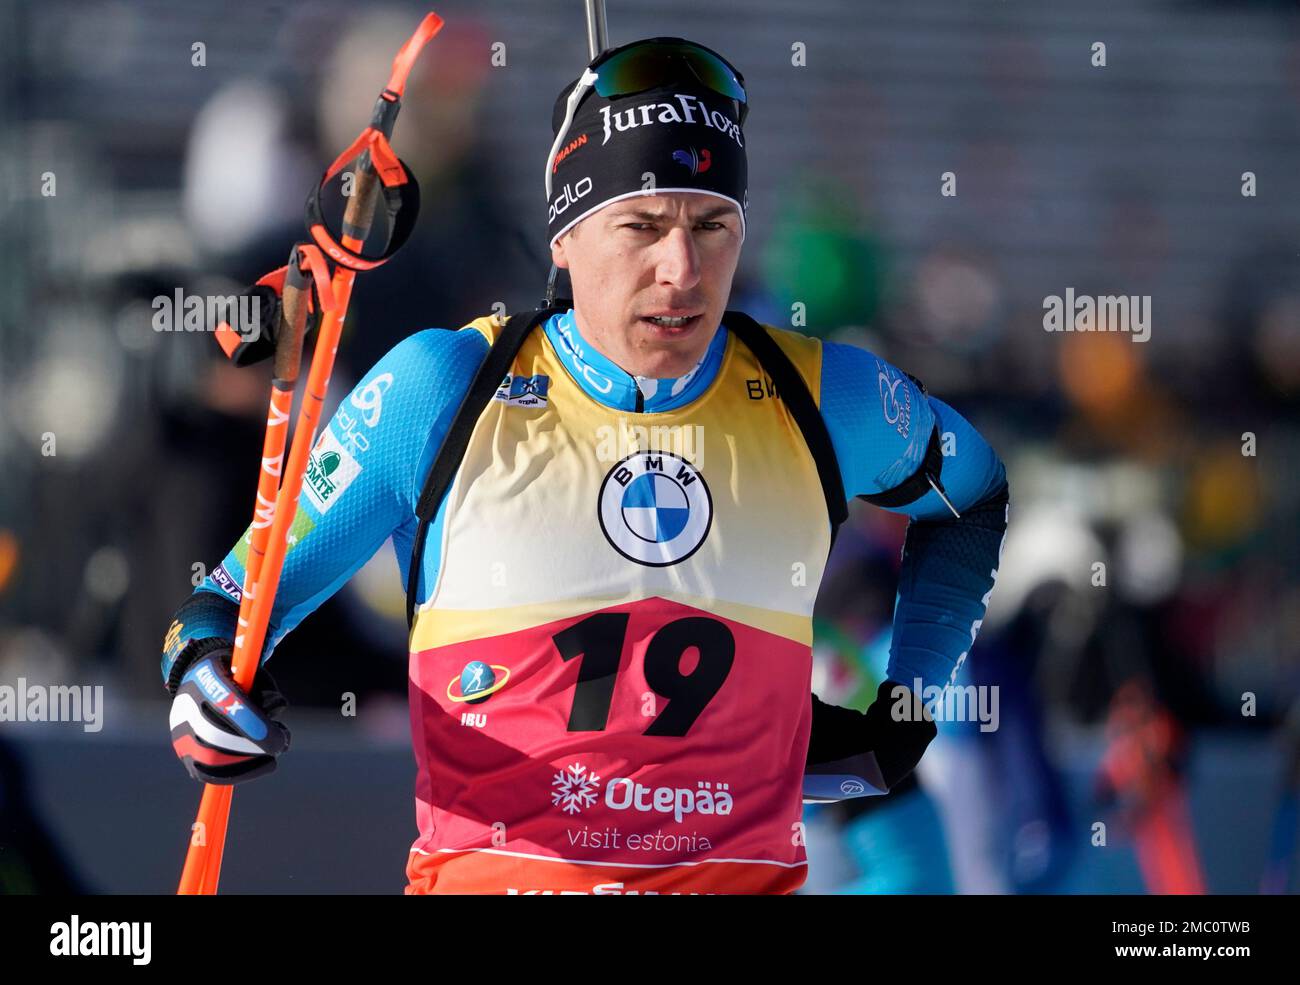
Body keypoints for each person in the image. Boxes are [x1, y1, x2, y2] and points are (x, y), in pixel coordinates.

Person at [160, 37, 1010, 895]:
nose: (681, 270)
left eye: (712, 225)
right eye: (641, 226)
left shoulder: (824, 396)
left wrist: (908, 703)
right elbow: (225, 607)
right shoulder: (445, 389)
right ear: (564, 236)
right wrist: (201, 682)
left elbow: (972, 495)